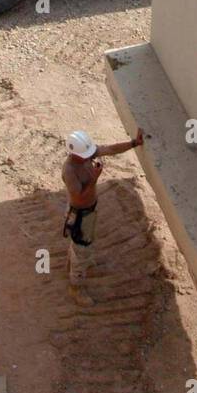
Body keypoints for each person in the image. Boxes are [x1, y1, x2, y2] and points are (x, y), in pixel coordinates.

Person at [62, 128, 143, 298]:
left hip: (89, 211)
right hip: (80, 214)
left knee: (80, 246)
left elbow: (110, 149)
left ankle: (71, 263)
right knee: (81, 252)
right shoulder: (69, 171)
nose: (90, 157)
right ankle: (76, 288)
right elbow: (79, 197)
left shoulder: (85, 154)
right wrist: (95, 179)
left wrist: (133, 143)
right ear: (74, 154)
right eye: (86, 154)